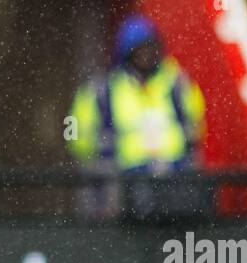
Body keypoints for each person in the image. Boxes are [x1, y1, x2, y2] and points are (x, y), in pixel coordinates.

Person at [66, 16, 205, 217]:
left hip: (174, 182)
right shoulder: (103, 91)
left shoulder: (177, 84)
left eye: (151, 48)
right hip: (122, 185)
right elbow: (75, 136)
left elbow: (195, 127)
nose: (147, 56)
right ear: (127, 53)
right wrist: (102, 156)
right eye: (140, 50)